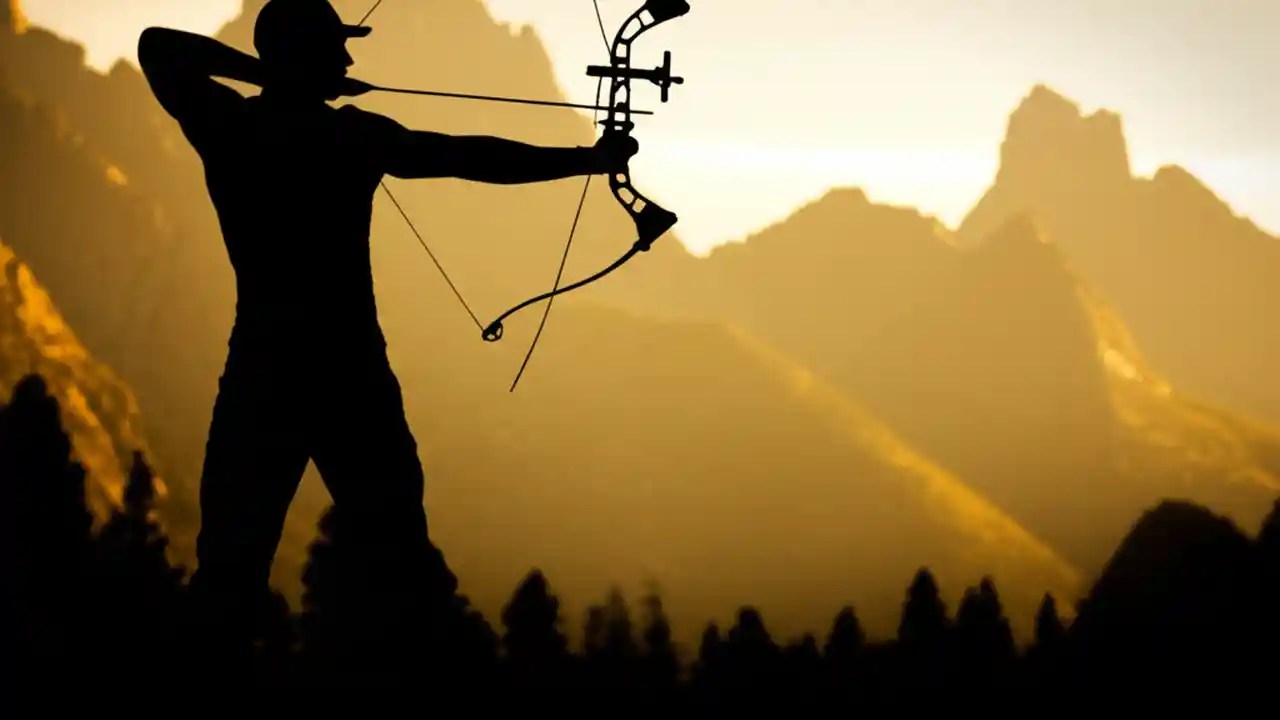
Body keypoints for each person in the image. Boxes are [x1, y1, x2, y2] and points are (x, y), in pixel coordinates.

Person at [137, 0, 637, 653]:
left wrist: (275, 76)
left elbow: (160, 48)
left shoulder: (228, 124)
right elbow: (469, 157)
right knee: (405, 565)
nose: (347, 62)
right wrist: (586, 160)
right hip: (349, 375)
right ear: (305, 56)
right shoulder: (350, 137)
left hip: (263, 369)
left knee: (230, 571)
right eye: (334, 51)